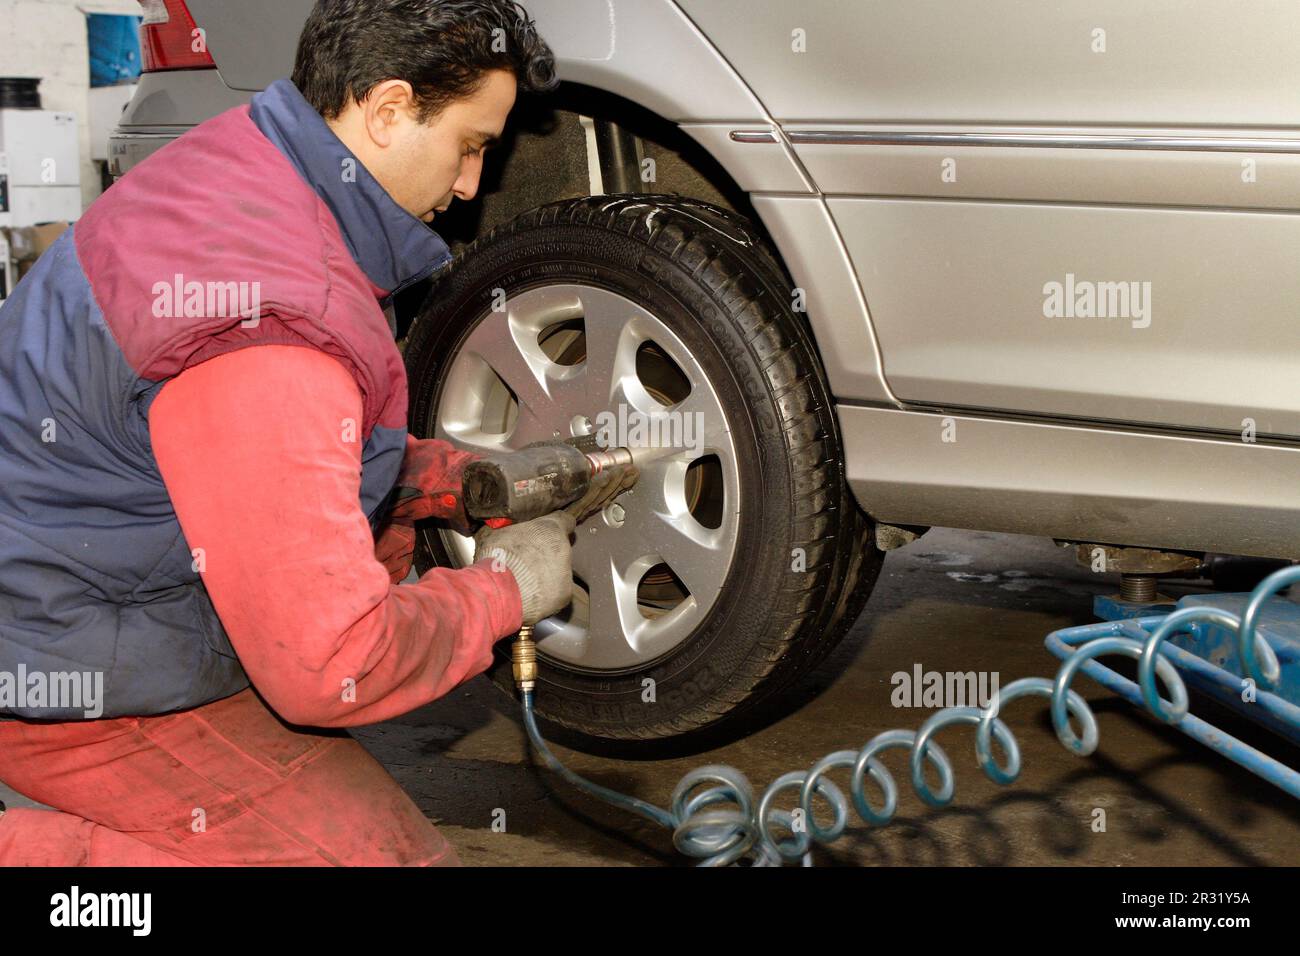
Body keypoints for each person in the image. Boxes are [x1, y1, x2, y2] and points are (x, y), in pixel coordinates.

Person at [0, 0, 618, 866]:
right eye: (472, 145)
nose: (474, 183)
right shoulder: (272, 322)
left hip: (115, 602)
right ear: (389, 109)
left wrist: (447, 477)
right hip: (81, 679)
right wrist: (504, 591)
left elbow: (259, 456)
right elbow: (332, 663)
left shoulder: (254, 161)